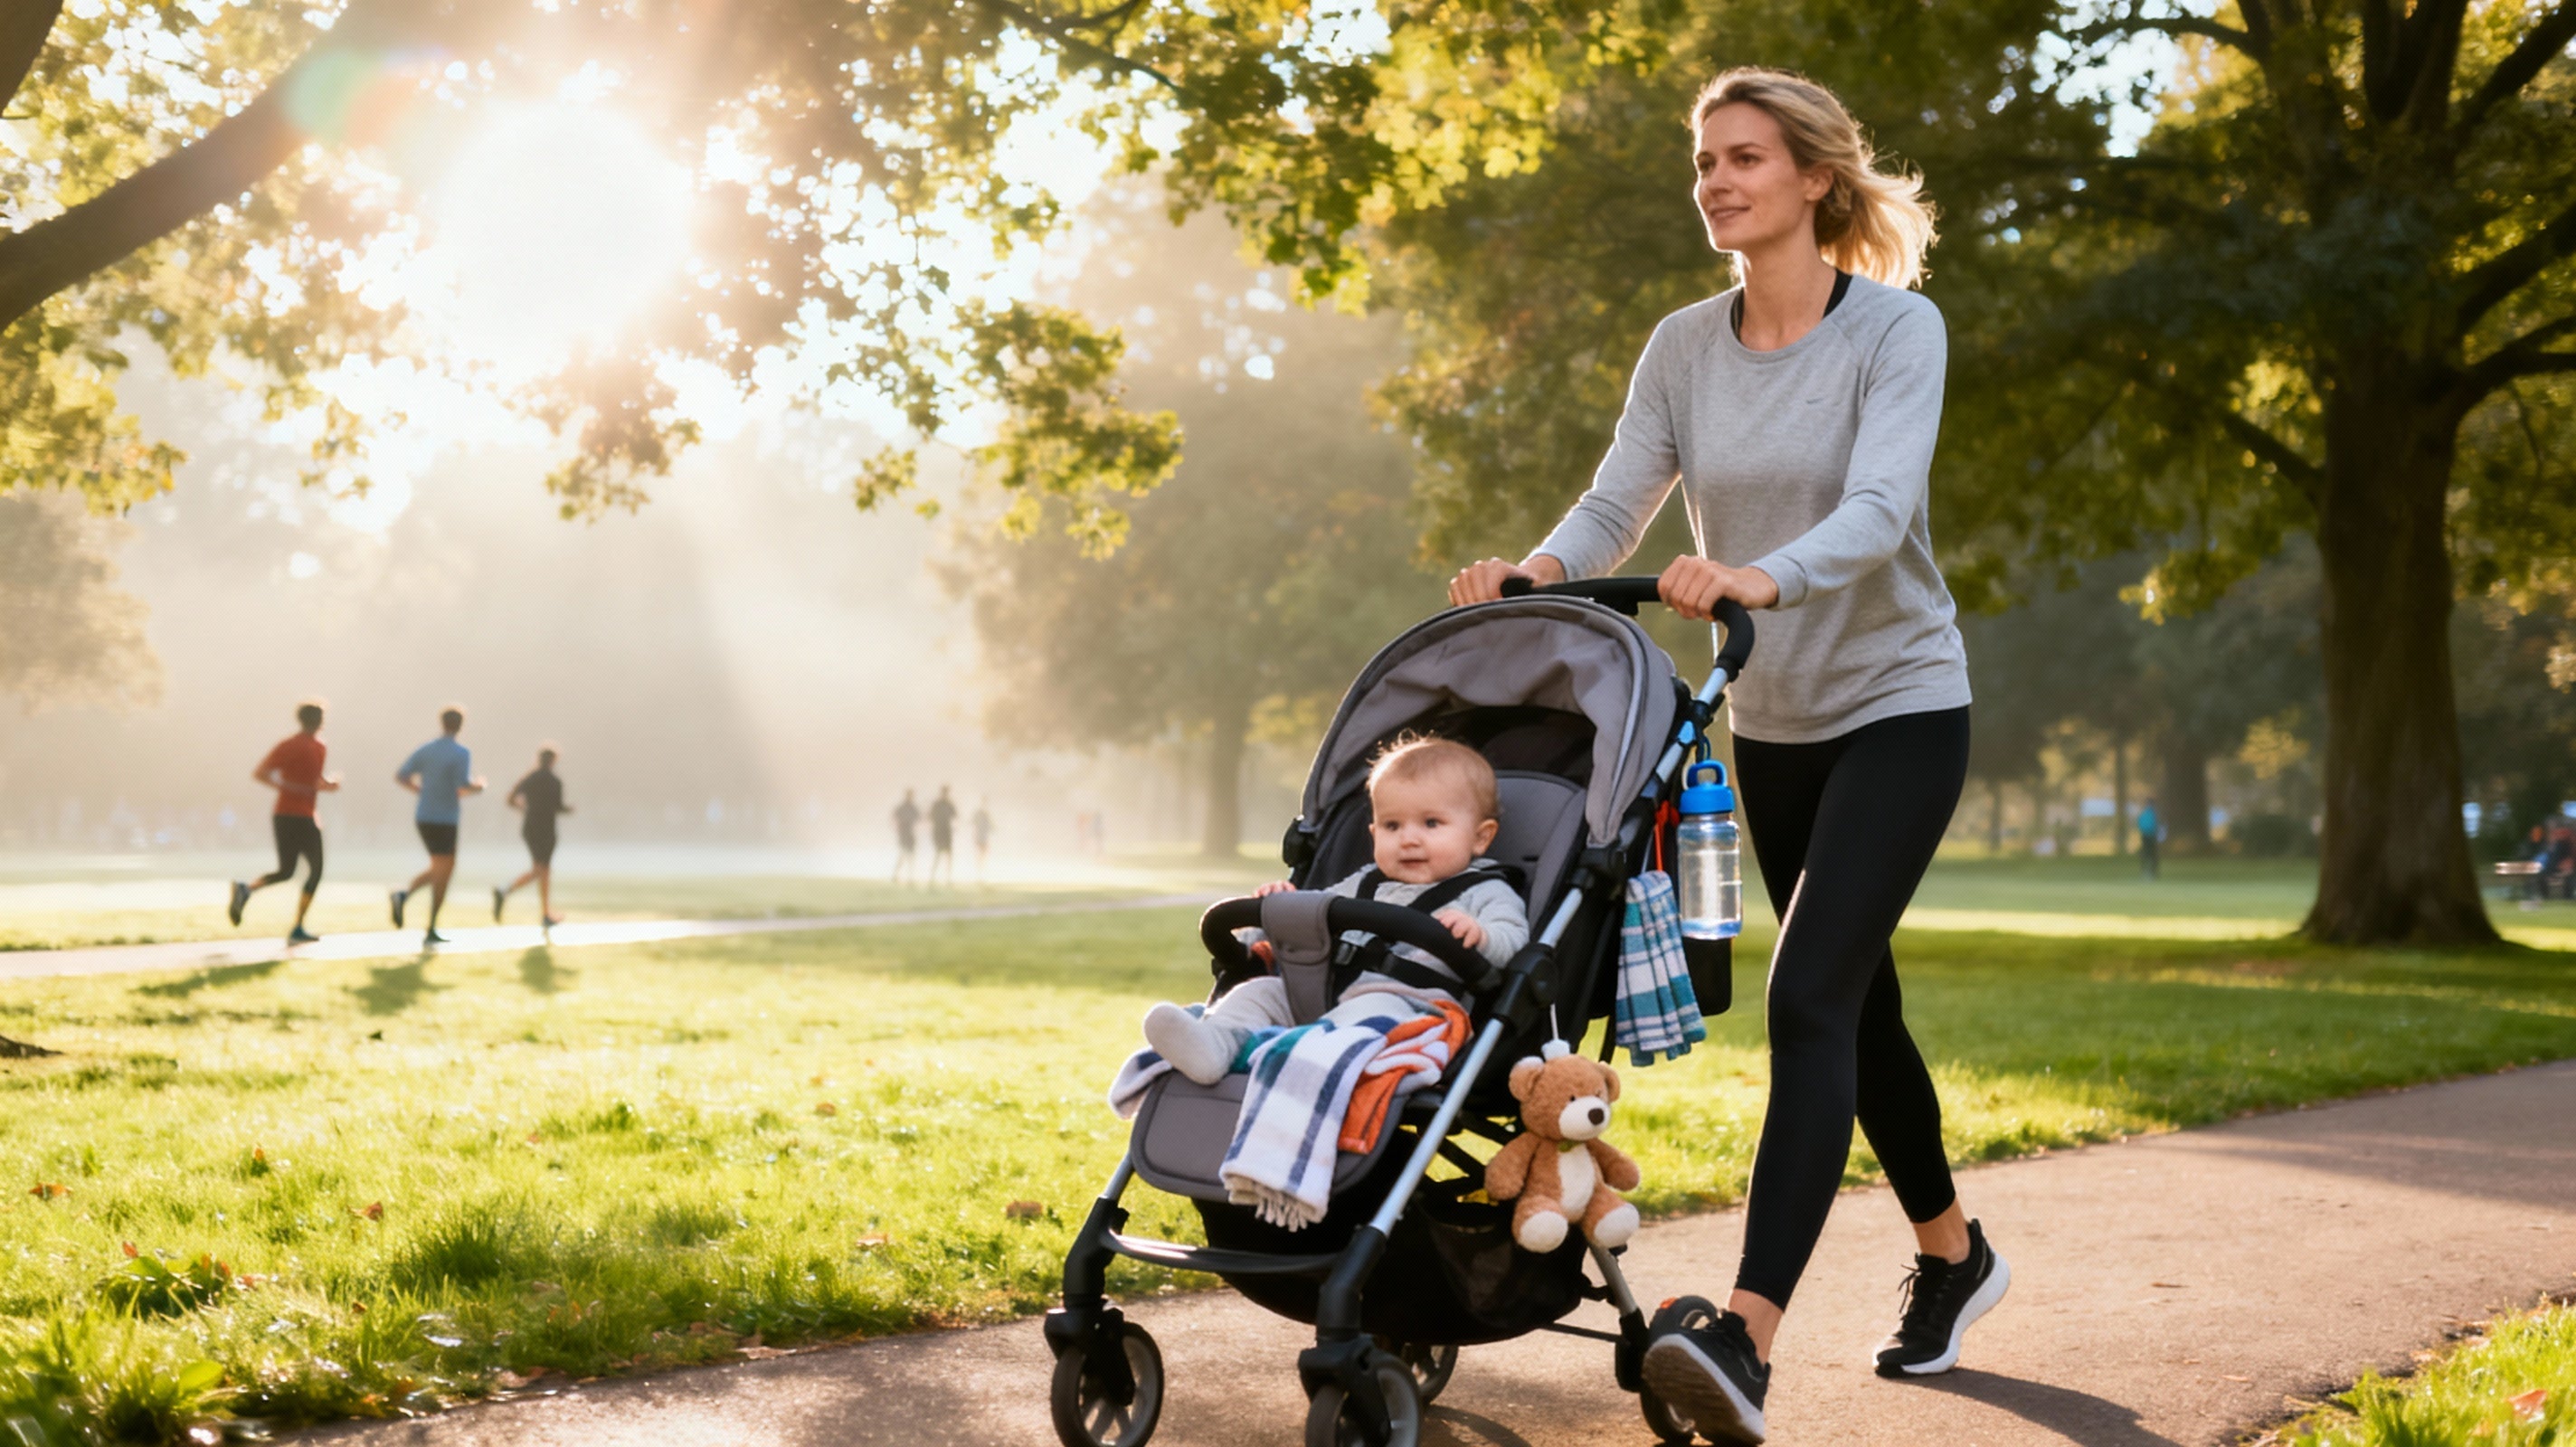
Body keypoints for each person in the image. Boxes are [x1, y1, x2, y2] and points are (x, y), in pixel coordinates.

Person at [1447, 69, 1998, 1443]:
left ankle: (1743, 1340)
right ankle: (1954, 1257)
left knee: (1809, 996)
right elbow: (1619, 495)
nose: (1717, 181)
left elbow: (1879, 509)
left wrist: (1760, 574)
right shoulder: (1685, 344)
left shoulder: (1897, 331)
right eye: (1705, 162)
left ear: (1814, 178)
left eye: (1745, 158)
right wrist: (1538, 569)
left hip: (1902, 704)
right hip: (1777, 724)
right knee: (1858, 1012)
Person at [1140, 738, 1529, 1084]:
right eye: (1392, 825)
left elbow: (1514, 940)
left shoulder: (1486, 892)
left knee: (1369, 1010)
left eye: (1431, 823)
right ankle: (1215, 1044)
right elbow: (1312, 923)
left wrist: (1482, 935)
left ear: (1481, 837)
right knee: (1259, 991)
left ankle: (1291, 1054)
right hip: (1323, 998)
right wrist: (1278, 910)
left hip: (1408, 1011)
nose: (1409, 839)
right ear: (1375, 833)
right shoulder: (1362, 883)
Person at [229, 700, 339, 944]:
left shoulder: (320, 747)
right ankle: (297, 926)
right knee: (307, 871)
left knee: (288, 871)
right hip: (290, 815)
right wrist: (287, 787)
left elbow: (315, 781)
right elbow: (261, 773)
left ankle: (247, 890)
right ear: (317, 721)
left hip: (304, 815)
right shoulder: (290, 745)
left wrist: (328, 785)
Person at [392, 707, 486, 947]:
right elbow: (462, 784)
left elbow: (402, 775)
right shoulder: (461, 753)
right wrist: (479, 786)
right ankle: (428, 923)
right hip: (446, 818)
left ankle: (405, 897)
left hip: (424, 816)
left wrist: (420, 791)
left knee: (439, 867)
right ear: (460, 725)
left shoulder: (427, 749)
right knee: (444, 871)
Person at [495, 746, 571, 928]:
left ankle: (546, 913)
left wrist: (524, 810)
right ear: (553, 761)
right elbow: (558, 806)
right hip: (546, 828)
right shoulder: (554, 781)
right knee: (540, 869)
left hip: (530, 826)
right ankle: (505, 890)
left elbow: (511, 798)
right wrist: (569, 809)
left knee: (543, 870)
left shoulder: (530, 778)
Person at [927, 785, 959, 888]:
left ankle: (948, 879)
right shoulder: (937, 804)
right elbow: (929, 816)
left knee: (949, 855)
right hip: (939, 832)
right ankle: (932, 878)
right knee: (938, 854)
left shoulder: (949, 804)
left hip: (946, 832)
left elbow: (955, 816)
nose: (946, 794)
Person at [891, 789, 921, 886]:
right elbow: (895, 816)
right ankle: (896, 876)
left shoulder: (913, 808)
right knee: (903, 855)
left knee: (910, 856)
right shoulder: (902, 807)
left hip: (910, 833)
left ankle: (910, 877)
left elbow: (919, 817)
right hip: (903, 833)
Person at [2136, 797, 2162, 880]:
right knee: (2152, 854)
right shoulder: (2154, 813)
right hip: (2152, 836)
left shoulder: (2144, 813)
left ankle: (2145, 871)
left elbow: (2139, 823)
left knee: (2146, 853)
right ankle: (2152, 872)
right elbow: (2157, 825)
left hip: (2145, 835)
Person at [971, 799, 995, 882]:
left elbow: (991, 826)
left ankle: (981, 875)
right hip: (980, 838)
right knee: (981, 856)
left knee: (982, 856)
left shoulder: (985, 814)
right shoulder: (981, 814)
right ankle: (979, 875)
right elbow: (973, 823)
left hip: (983, 838)